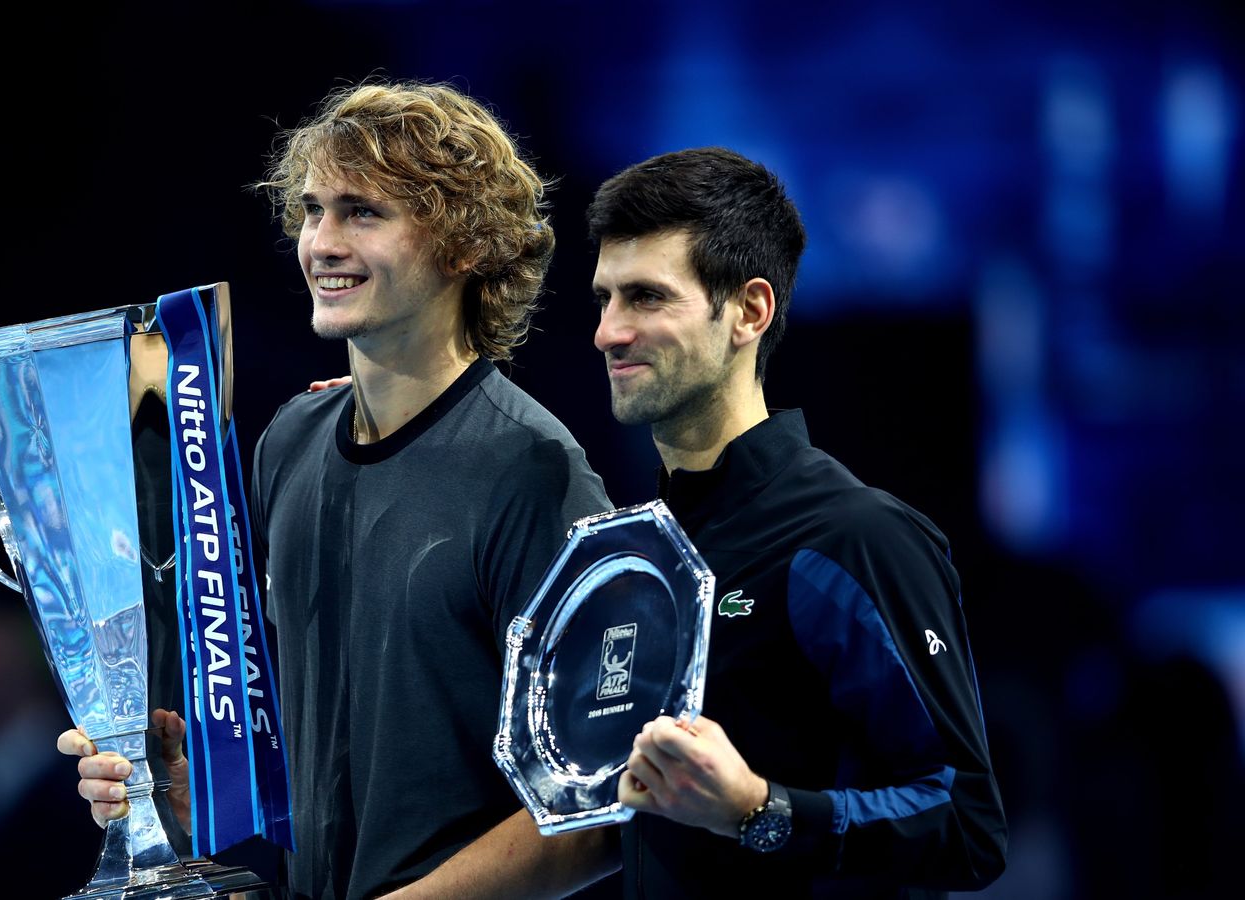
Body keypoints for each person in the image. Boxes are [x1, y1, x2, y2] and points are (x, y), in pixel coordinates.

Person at [59, 80, 619, 899]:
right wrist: (188, 797)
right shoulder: (290, 440)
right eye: (313, 210)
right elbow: (326, 757)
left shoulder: (535, 473)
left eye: (362, 212)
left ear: (464, 245)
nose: (321, 242)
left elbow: (597, 811)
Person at [585, 147, 1007, 897]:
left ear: (750, 311)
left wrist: (759, 809)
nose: (609, 332)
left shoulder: (854, 536)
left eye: (646, 297)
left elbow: (968, 827)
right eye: (605, 299)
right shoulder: (639, 550)